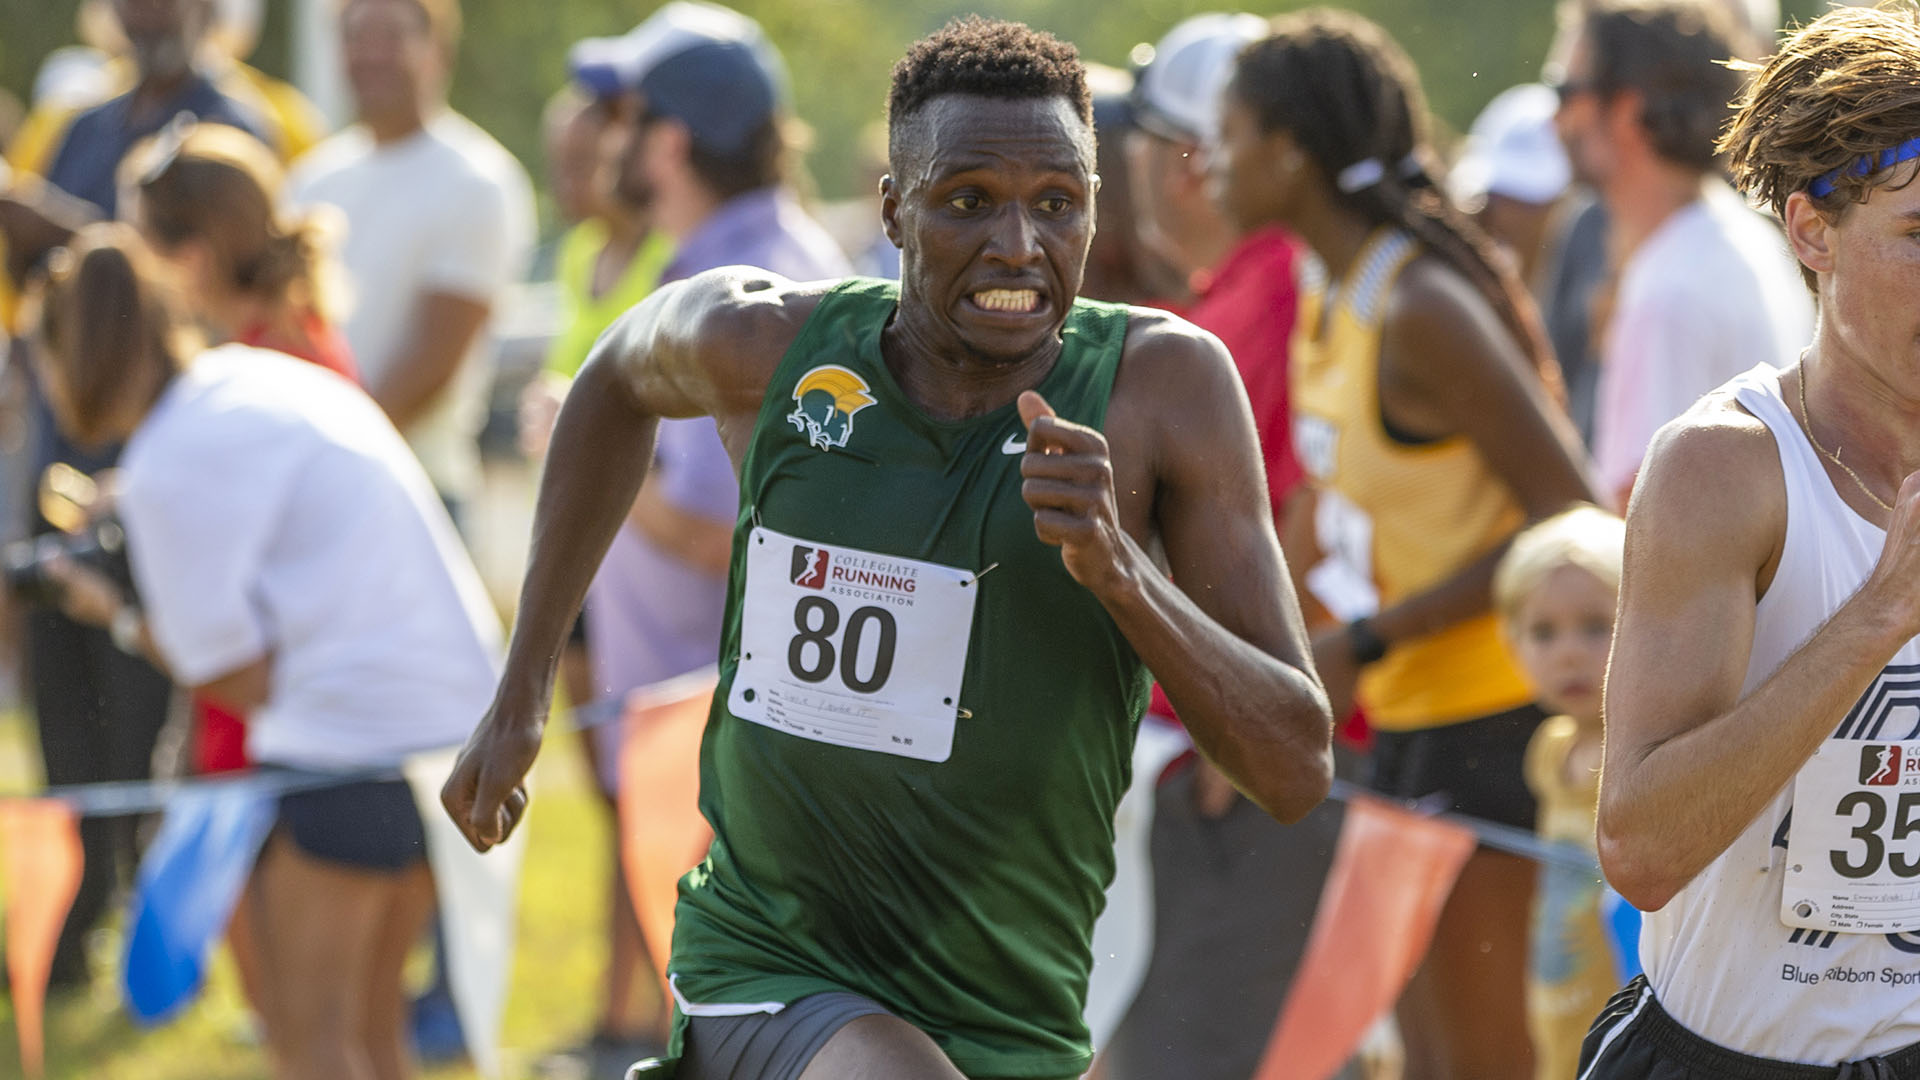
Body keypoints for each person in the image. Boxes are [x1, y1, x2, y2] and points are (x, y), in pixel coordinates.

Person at [444, 16, 1334, 1079]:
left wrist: (1123, 574)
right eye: (968, 202)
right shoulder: (769, 345)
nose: (1018, 246)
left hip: (1011, 1010)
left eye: (1058, 204)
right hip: (770, 961)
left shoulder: (1165, 389)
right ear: (893, 210)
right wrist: (522, 690)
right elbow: (614, 379)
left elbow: (1294, 765)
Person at [1217, 11, 1598, 1077]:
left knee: (1479, 1063)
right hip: (1403, 722)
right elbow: (1327, 507)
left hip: (1493, 723)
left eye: (1232, 132)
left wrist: (1371, 641)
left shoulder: (1422, 304)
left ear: (1290, 153)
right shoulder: (1328, 285)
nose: (1211, 162)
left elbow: (1567, 513)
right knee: (1422, 1059)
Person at [25, 222, 499, 1080]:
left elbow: (239, 683)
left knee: (308, 1049)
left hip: (345, 756)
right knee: (375, 1043)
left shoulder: (170, 459)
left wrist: (118, 615)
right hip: (448, 745)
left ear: (75, 356)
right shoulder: (243, 382)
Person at [1587, 4, 1920, 1074]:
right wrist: (1878, 618)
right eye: (1919, 238)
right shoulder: (1726, 469)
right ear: (1811, 232)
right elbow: (1640, 848)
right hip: (1727, 1056)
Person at [1098, 16, 1339, 1080]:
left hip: (1241, 754)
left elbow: (1310, 524)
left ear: (1186, 159)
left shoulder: (1271, 295)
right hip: (1216, 738)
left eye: (1139, 146)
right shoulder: (1231, 296)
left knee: (1198, 1053)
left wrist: (1241, 714)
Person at [1550, 0, 1810, 510]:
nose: (1554, 115)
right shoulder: (1738, 238)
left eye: (1565, 90)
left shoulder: (1669, 294)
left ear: (1626, 112)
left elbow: (1638, 515)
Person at [289, 0, 534, 526]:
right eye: (356, 36)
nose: (370, 53)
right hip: (312, 484)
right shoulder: (312, 178)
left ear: (437, 50)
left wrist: (318, 461)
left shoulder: (477, 181)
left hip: (416, 491)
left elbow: (430, 365)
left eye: (392, 35)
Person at [1491, 505, 1625, 1080]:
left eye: (1596, 626)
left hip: (1625, 1014)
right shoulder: (1551, 748)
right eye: (1543, 632)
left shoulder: (1637, 751)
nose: (1568, 653)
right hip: (1559, 999)